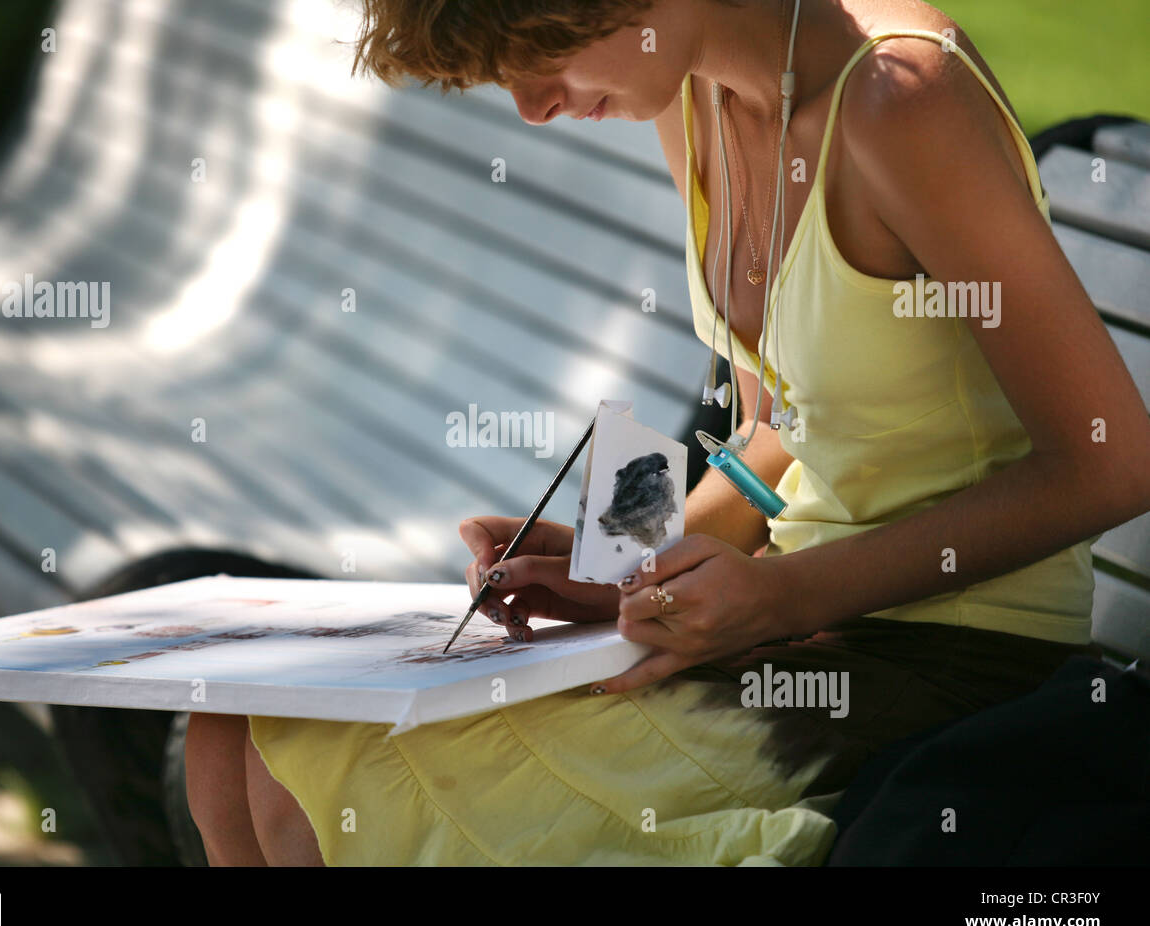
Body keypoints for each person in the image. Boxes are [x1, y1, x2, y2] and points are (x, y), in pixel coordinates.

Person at [184, 0, 1150, 866]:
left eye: (540, 50)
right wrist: (634, 564)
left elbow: (1110, 464)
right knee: (234, 738)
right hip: (794, 630)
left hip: (944, 664)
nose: (531, 105)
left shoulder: (902, 99)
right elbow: (788, 424)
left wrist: (778, 596)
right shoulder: (693, 101)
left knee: (322, 796)